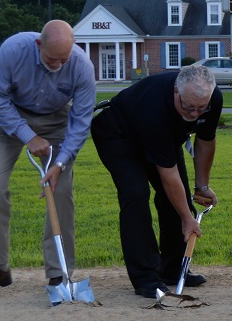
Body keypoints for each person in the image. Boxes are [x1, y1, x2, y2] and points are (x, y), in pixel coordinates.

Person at [0, 20, 97, 296]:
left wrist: (60, 162)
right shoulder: (13, 50)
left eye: (64, 59)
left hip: (57, 123)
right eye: (52, 58)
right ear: (39, 44)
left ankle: (59, 274)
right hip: (11, 120)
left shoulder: (82, 66)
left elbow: (81, 120)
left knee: (60, 191)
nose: (58, 65)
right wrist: (28, 136)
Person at [90, 64, 221, 297]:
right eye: (188, 107)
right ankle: (145, 278)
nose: (194, 114)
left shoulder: (212, 99)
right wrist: (186, 218)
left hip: (163, 137)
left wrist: (202, 186)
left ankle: (172, 269)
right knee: (136, 196)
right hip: (118, 135)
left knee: (176, 200)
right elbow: (168, 173)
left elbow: (205, 140)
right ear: (175, 92)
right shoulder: (154, 107)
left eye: (201, 109)